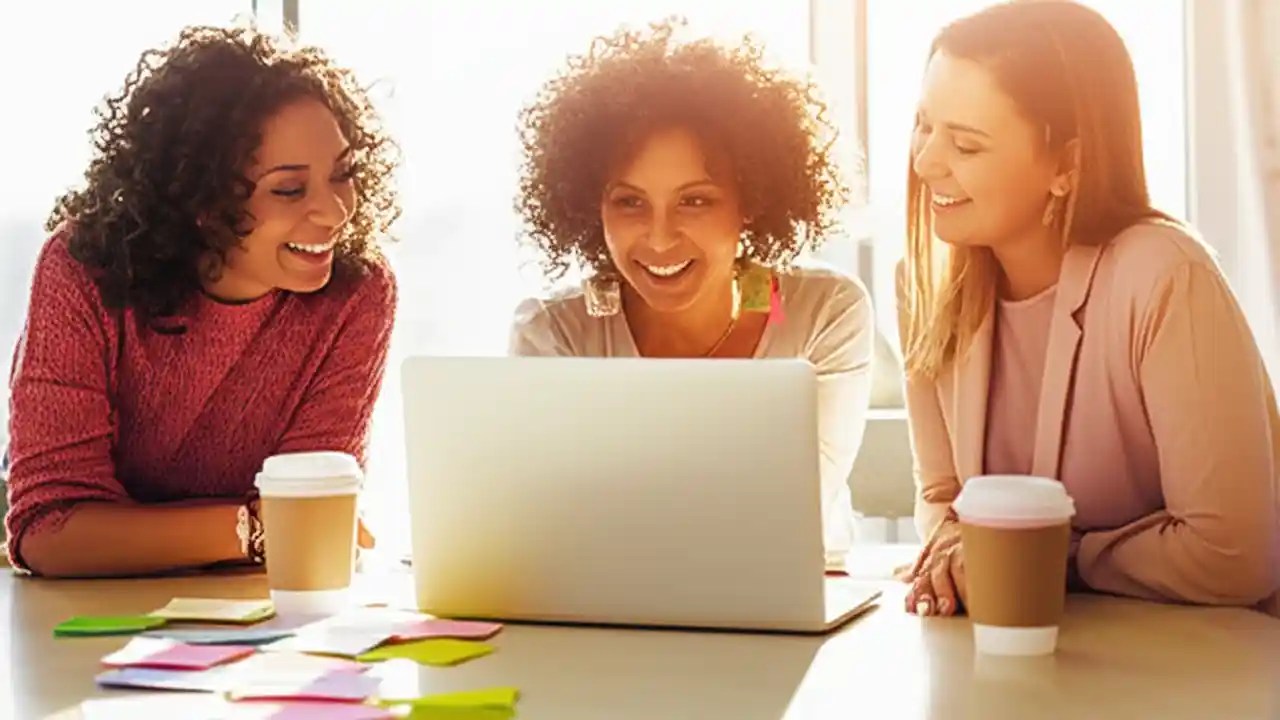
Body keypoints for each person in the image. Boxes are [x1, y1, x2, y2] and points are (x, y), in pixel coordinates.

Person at [898, 1, 1279, 617]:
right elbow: (945, 500)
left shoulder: (1163, 276)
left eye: (965, 145)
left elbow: (1232, 554)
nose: (924, 162)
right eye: (923, 124)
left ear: (1067, 165)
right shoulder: (927, 282)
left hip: (1199, 668)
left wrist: (1048, 554)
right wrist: (952, 541)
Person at [3, 24, 400, 578]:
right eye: (289, 189)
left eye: (343, 174)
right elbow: (50, 529)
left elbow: (315, 515)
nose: (335, 212)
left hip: (247, 616)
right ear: (202, 200)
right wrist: (256, 527)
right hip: (82, 621)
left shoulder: (357, 294)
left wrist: (281, 528)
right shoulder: (82, 270)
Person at [508, 18, 874, 571]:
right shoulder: (556, 331)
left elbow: (788, 514)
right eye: (629, 203)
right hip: (614, 608)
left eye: (695, 201)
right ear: (590, 206)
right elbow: (549, 526)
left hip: (793, 610)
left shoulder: (822, 313)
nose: (659, 238)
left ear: (750, 200)